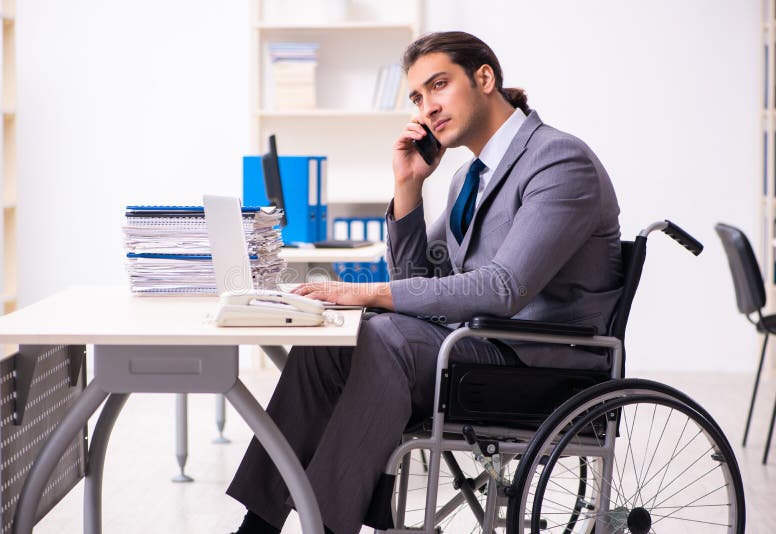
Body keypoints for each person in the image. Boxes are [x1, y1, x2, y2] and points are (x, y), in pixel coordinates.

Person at [227, 31, 623, 534]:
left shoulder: (560, 162)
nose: (428, 107)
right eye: (417, 97)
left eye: (439, 85)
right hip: (477, 348)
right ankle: (256, 526)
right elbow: (417, 282)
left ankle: (326, 526)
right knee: (330, 344)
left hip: (539, 365)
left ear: (484, 78)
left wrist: (367, 293)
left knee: (382, 333)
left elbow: (503, 288)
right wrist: (408, 186)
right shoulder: (467, 177)